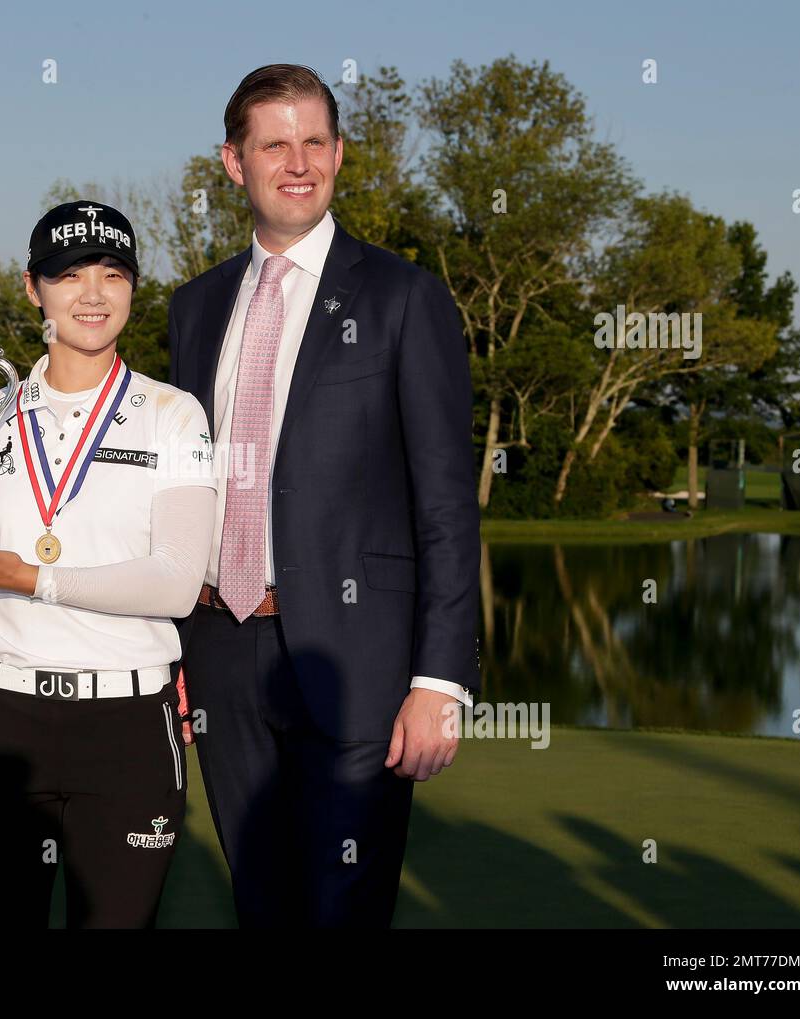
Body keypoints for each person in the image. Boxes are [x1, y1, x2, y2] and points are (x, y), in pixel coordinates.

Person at [168, 65, 481, 927]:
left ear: (339, 154)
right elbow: (182, 493)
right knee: (264, 907)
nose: (296, 161)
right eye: (274, 143)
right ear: (234, 163)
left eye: (314, 141)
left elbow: (448, 504)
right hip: (220, 655)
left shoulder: (403, 296)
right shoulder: (194, 309)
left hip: (360, 666)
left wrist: (440, 679)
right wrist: (170, 647)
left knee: (343, 908)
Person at [0, 201, 217, 928]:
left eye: (113, 273)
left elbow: (177, 579)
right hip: (0, 715)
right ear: (34, 289)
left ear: (133, 286)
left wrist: (33, 577)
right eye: (69, 275)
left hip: (128, 728)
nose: (93, 294)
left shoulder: (173, 413)